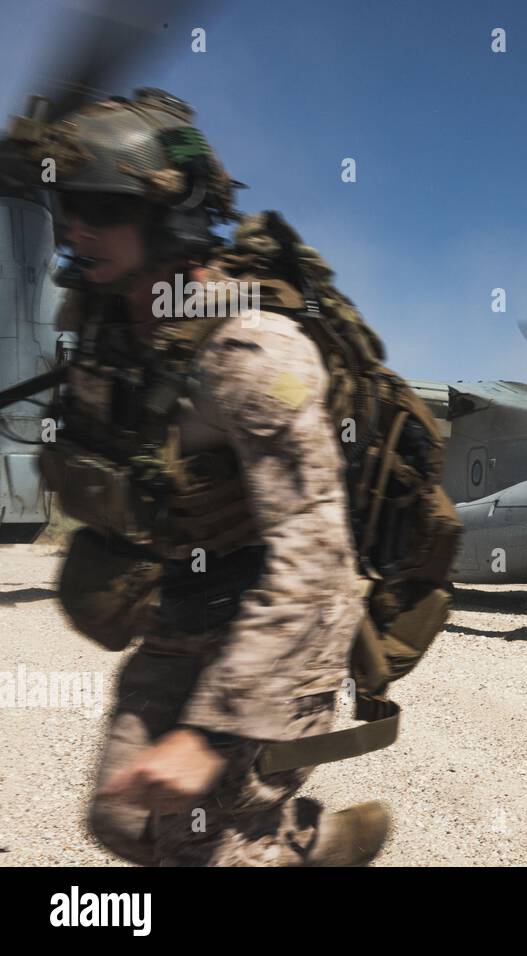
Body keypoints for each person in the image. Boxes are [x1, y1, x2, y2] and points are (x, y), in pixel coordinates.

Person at [24, 89, 388, 864]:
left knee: (206, 851)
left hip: (276, 640)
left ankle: (288, 846)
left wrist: (213, 733)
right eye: (65, 204)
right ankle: (312, 848)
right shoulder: (109, 331)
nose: (77, 226)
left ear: (170, 216)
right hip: (177, 621)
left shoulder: (253, 353)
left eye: (102, 206)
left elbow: (318, 566)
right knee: (120, 822)